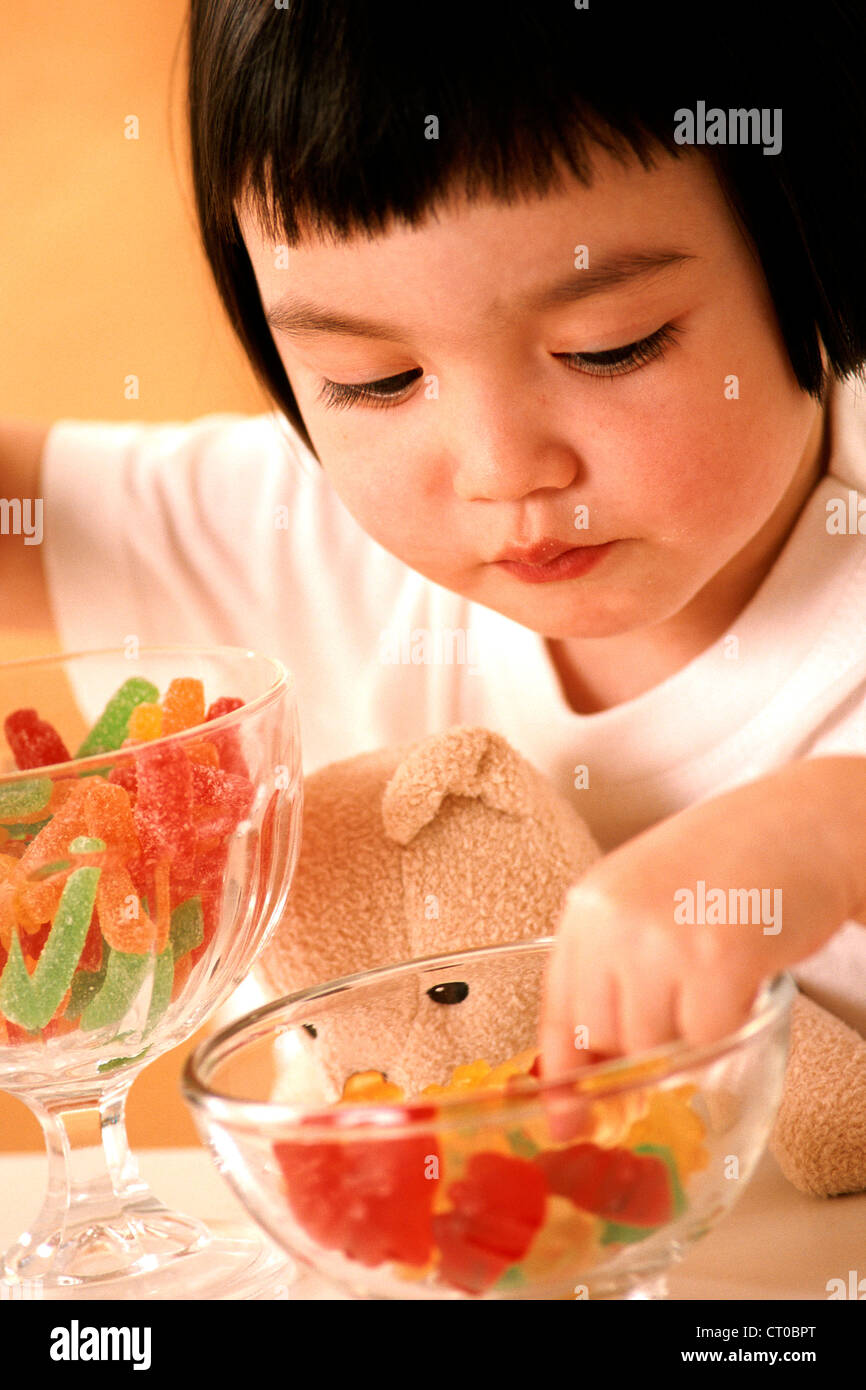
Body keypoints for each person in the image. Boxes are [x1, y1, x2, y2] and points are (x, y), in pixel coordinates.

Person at [2, 0, 865, 1079]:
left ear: (816, 245)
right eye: (375, 381)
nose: (499, 468)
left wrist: (835, 829)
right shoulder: (301, 526)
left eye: (609, 346)